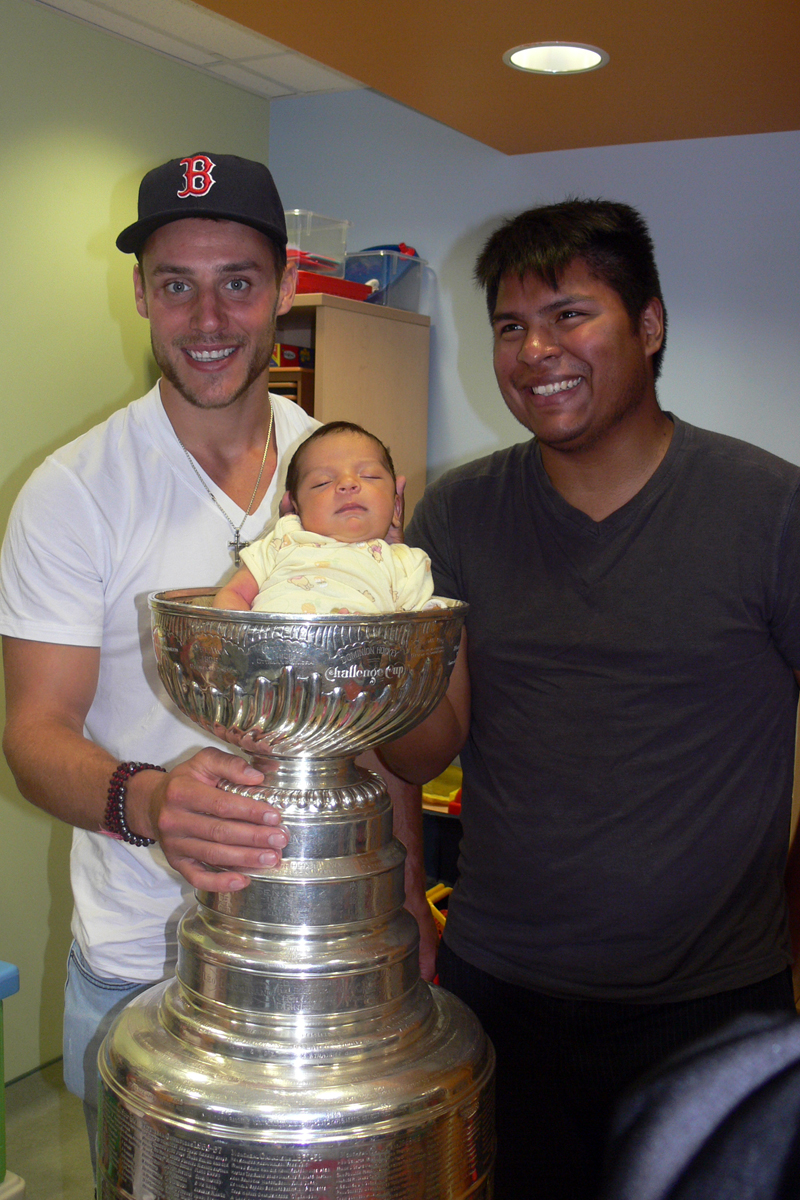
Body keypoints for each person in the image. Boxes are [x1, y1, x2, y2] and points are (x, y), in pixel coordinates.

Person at [0, 153, 433, 1167]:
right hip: (142, 963)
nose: (207, 316)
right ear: (141, 294)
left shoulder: (338, 470)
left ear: (285, 289)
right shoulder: (75, 491)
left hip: (325, 955)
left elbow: (368, 713)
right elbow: (33, 733)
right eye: (176, 283)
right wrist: (150, 800)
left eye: (237, 281)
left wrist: (407, 905)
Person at [381, 198, 800, 1199]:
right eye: (510, 327)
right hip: (501, 986)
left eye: (569, 315)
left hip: (712, 1005)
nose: (534, 351)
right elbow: (425, 742)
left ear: (648, 327)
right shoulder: (460, 512)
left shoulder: (767, 510)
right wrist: (363, 649)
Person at [214, 421, 437, 615]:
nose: (348, 484)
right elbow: (234, 594)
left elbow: (418, 631)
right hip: (269, 656)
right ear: (295, 509)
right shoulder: (282, 542)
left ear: (396, 507)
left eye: (369, 476)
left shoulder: (406, 565)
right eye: (323, 482)